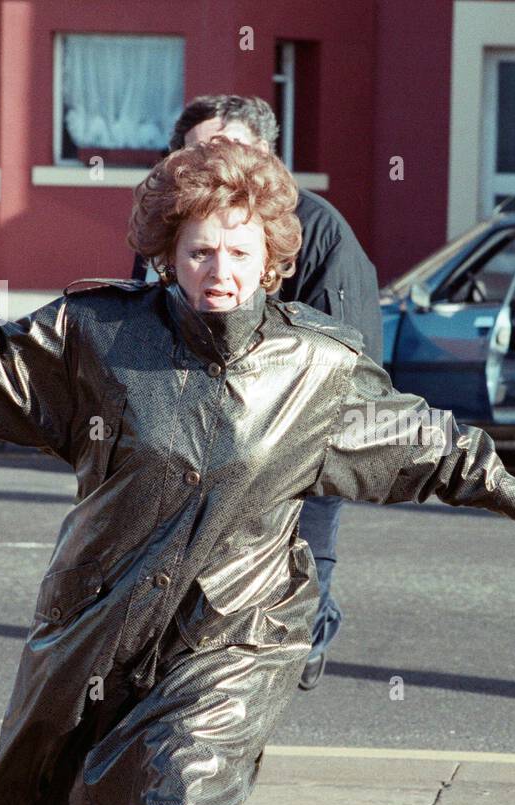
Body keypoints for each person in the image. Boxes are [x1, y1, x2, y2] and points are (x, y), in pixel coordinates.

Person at [0, 139, 515, 805]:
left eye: (241, 251)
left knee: (180, 803)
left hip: (235, 635)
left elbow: (418, 439)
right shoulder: (102, 334)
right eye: (202, 250)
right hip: (96, 622)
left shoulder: (316, 366)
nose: (221, 269)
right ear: (168, 256)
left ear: (271, 260)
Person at [134, 94, 380, 691]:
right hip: (193, 451)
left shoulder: (319, 231)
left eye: (229, 149)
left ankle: (306, 640)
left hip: (293, 452)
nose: (213, 165)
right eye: (197, 152)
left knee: (298, 591)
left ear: (264, 155)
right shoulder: (171, 228)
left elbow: (354, 368)